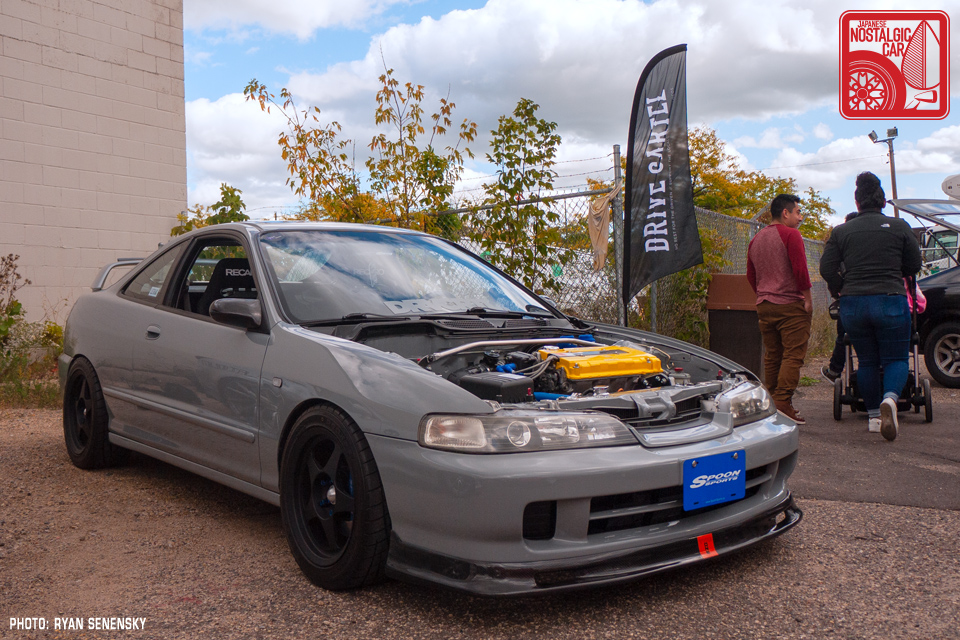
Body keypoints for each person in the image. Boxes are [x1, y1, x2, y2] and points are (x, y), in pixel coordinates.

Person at [819, 172, 922, 440]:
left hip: (853, 303)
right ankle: (890, 399)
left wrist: (842, 286)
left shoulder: (842, 231)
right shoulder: (899, 227)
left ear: (857, 202)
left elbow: (827, 268)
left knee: (866, 361)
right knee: (896, 358)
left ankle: (875, 416)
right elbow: (913, 266)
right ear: (883, 201)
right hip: (890, 300)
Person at [747, 193, 812, 424]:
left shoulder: (756, 239)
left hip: (764, 304)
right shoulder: (791, 235)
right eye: (797, 212)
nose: (800, 217)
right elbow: (800, 270)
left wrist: (763, 292)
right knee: (793, 355)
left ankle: (772, 402)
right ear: (785, 213)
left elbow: (750, 275)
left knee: (773, 355)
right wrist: (807, 299)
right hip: (789, 304)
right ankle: (783, 401)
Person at [822, 211, 860, 382]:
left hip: (848, 297)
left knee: (843, 336)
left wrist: (839, 290)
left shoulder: (842, 245)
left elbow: (829, 270)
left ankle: (835, 370)